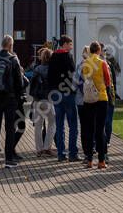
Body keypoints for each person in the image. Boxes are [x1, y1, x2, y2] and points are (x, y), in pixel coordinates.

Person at [0, 34, 24, 169]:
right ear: (10, 45)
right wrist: (18, 96)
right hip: (10, 98)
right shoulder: (14, 60)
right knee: (10, 128)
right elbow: (19, 82)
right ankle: (8, 159)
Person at [47, 34, 79, 162]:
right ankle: (72, 153)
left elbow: (49, 76)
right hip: (67, 93)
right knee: (73, 124)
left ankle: (61, 153)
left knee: (59, 125)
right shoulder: (68, 56)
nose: (71, 47)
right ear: (65, 44)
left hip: (56, 93)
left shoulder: (53, 56)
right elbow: (72, 72)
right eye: (70, 44)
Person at [79, 41, 111, 169]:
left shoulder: (85, 64)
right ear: (98, 51)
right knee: (100, 129)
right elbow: (108, 81)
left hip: (88, 98)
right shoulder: (102, 62)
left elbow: (83, 79)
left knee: (89, 129)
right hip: (101, 97)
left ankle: (89, 160)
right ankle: (102, 161)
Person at [29, 47, 56, 155]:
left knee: (38, 125)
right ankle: (47, 147)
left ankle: (39, 149)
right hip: (48, 100)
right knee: (52, 123)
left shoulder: (37, 69)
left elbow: (32, 84)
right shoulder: (52, 69)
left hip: (37, 100)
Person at [103, 47, 118, 150]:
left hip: (109, 96)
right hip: (100, 96)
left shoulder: (110, 65)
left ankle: (107, 140)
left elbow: (114, 82)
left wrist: (113, 94)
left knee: (108, 121)